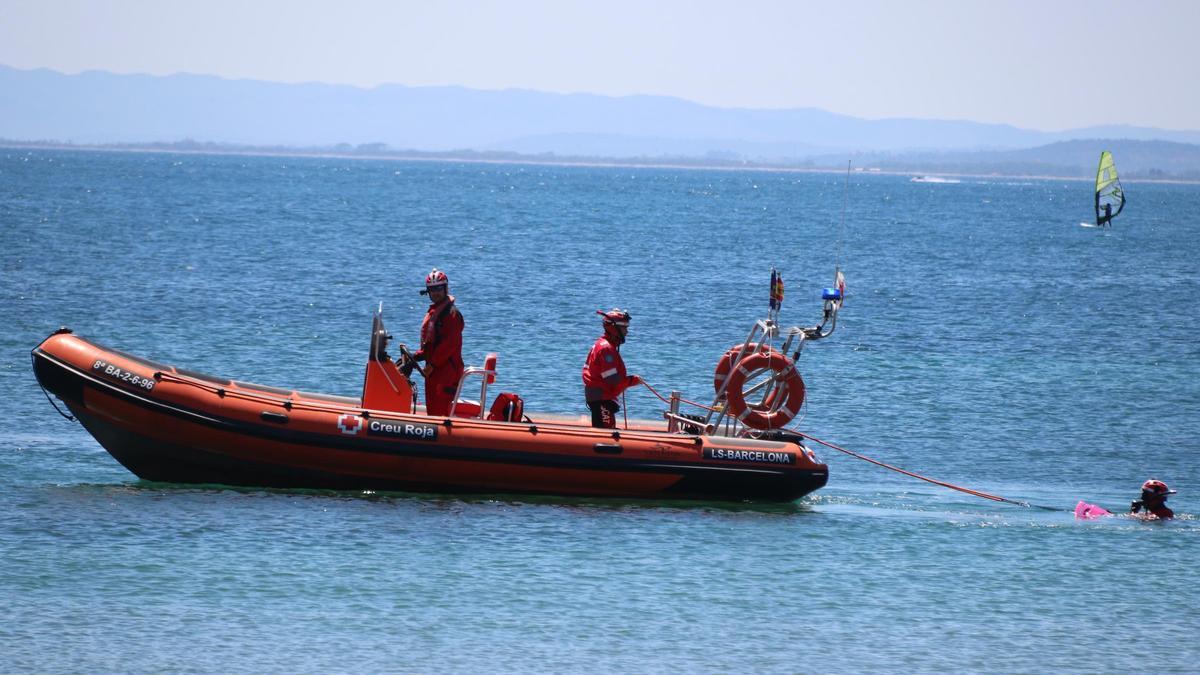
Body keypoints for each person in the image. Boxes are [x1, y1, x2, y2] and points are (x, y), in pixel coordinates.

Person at [409, 268, 464, 417]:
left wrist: (432, 364)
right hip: (434, 370)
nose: (435, 292)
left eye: (439, 288)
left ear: (445, 288)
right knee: (432, 409)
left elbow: (449, 344)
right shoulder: (436, 311)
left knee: (440, 410)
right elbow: (433, 343)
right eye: (432, 289)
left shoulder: (451, 314)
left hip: (445, 370)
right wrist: (417, 356)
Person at [582, 308, 641, 428]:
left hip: (600, 396)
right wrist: (631, 381)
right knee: (605, 433)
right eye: (624, 328)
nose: (626, 332)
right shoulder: (606, 348)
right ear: (615, 328)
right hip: (602, 398)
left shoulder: (603, 344)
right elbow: (612, 379)